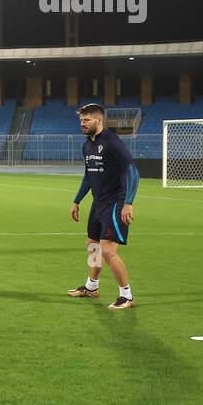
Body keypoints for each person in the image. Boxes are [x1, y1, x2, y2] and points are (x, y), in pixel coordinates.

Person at [67, 103, 139, 309]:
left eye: (86, 119)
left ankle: (127, 296)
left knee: (108, 251)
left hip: (116, 203)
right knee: (93, 246)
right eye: (81, 120)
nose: (82, 123)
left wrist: (128, 203)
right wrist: (77, 200)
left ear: (98, 120)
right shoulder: (87, 145)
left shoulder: (112, 142)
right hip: (98, 203)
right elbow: (89, 176)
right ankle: (91, 287)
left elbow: (132, 171)